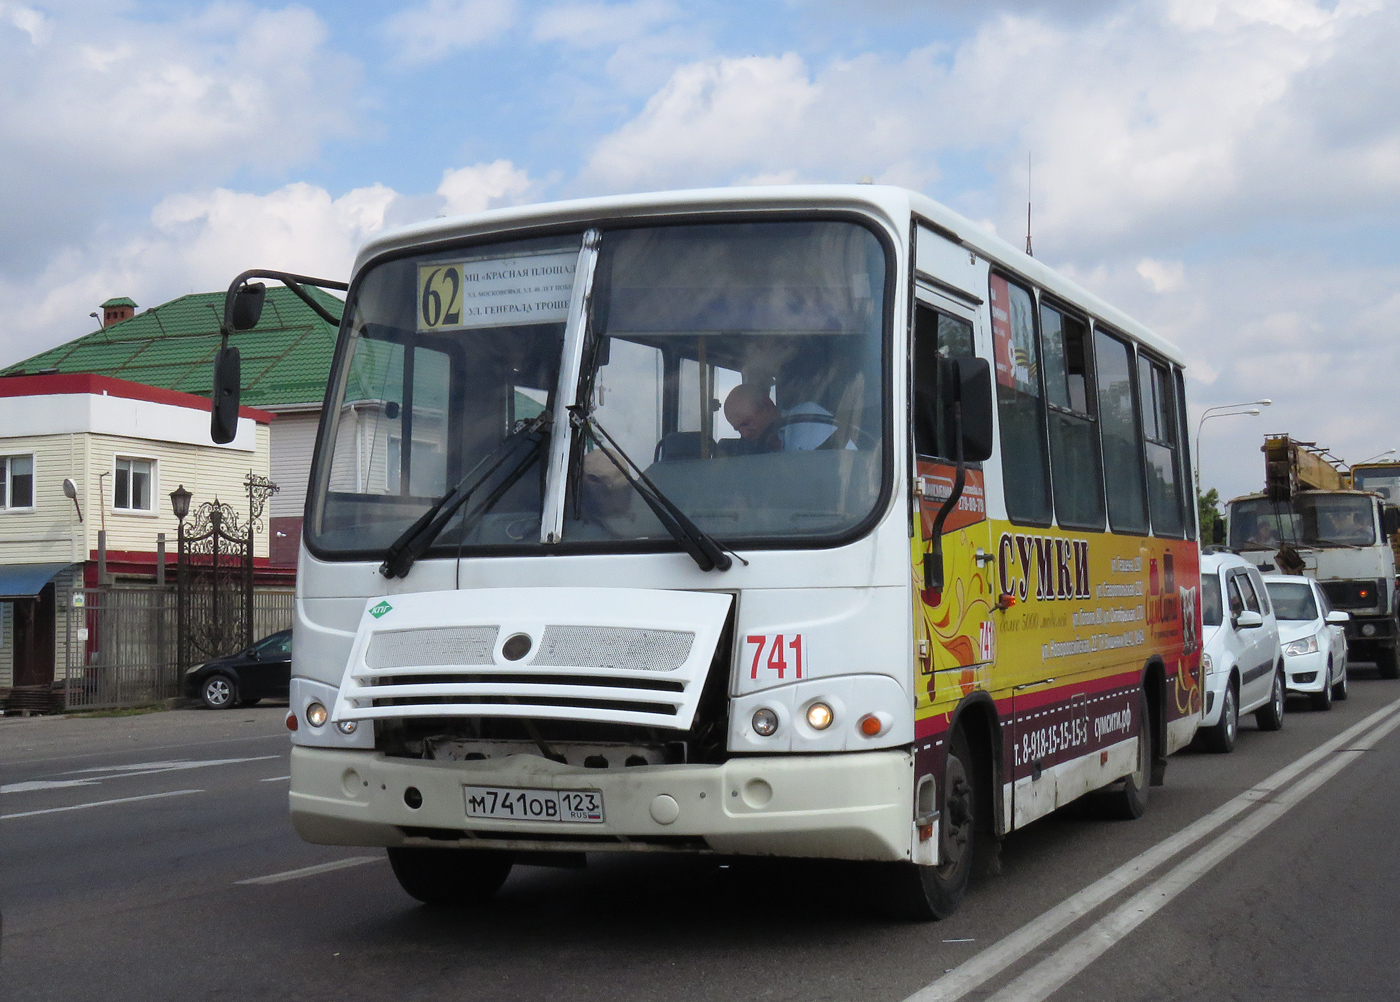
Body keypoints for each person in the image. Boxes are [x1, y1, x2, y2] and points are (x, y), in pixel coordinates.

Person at [722, 383, 839, 452]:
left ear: (766, 405)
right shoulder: (752, 453)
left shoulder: (807, 418)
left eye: (745, 424)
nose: (744, 435)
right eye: (738, 430)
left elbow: (835, 466)